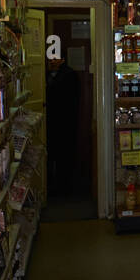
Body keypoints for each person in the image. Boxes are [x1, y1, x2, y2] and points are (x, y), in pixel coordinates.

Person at [45, 55, 79, 197]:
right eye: (50, 59)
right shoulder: (53, 74)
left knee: (64, 156)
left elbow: (61, 94)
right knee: (54, 154)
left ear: (63, 59)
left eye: (55, 58)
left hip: (64, 121)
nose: (52, 61)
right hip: (58, 121)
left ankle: (64, 187)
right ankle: (54, 186)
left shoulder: (69, 75)